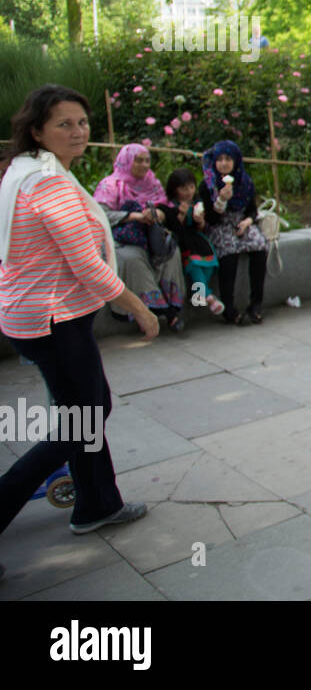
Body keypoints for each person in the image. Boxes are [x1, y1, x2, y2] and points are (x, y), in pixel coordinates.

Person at [0, 85, 156, 544]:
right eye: (63, 124)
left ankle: (97, 503)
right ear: (37, 130)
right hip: (53, 319)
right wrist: (139, 308)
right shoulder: (46, 181)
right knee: (87, 416)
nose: (77, 131)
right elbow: (84, 262)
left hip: (39, 316)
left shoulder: (28, 169)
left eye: (82, 122)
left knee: (78, 414)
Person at [92, 143, 186, 332]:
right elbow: (98, 214)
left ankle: (170, 305)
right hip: (121, 239)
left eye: (147, 161)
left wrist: (159, 214)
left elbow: (166, 208)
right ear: (126, 161)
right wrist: (133, 216)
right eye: (138, 160)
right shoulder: (110, 185)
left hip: (150, 236)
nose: (144, 165)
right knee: (132, 259)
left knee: (171, 253)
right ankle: (161, 312)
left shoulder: (153, 183)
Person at [198, 140, 268, 326]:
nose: (223, 163)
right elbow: (211, 219)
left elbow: (252, 210)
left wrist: (248, 221)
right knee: (229, 251)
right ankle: (229, 308)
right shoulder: (208, 184)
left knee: (260, 247)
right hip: (219, 224)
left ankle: (256, 304)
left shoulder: (244, 181)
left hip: (240, 222)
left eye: (228, 159)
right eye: (219, 159)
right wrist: (221, 200)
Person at [160, 168, 224, 316]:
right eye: (184, 188)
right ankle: (208, 297)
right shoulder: (171, 205)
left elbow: (201, 227)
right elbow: (174, 227)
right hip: (183, 241)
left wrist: (200, 221)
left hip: (198, 239)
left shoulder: (197, 202)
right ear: (175, 190)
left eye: (191, 187)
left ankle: (197, 296)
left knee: (210, 264)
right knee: (194, 264)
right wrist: (181, 214)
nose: (189, 192)